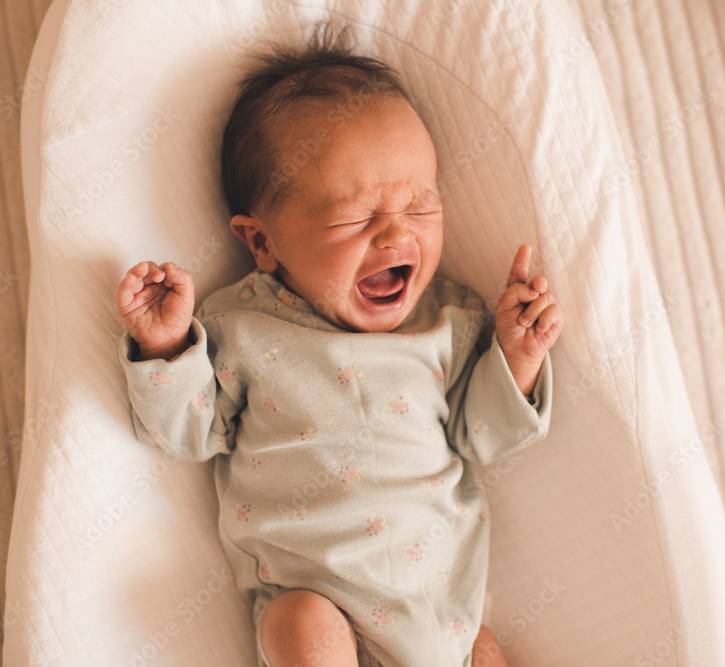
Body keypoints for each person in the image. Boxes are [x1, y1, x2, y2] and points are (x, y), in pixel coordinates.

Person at [115, 24, 563, 667]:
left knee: (488, 651)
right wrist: (165, 348)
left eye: (420, 205)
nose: (395, 237)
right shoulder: (240, 327)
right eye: (356, 217)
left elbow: (481, 434)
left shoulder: (450, 322)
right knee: (299, 624)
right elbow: (186, 433)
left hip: (442, 623)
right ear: (262, 242)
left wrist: (518, 357)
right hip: (318, 607)